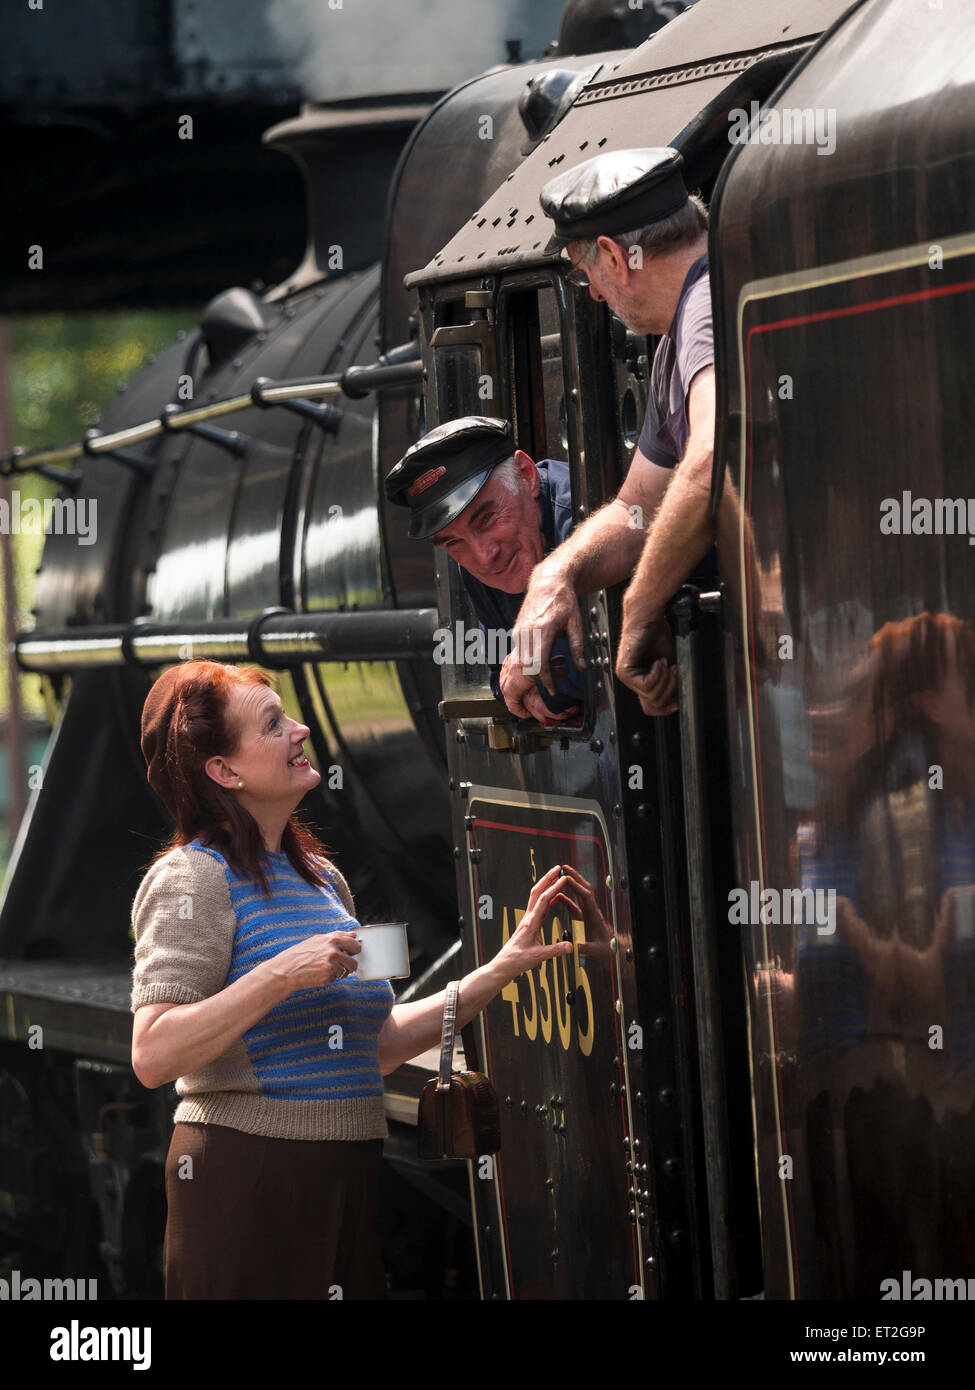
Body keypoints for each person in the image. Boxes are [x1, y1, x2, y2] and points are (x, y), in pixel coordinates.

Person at [130, 658, 578, 1299]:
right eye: (273, 725)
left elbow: (382, 1040)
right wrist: (283, 974)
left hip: (349, 1173)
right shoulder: (190, 878)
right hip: (245, 1176)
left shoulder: (325, 881)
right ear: (225, 773)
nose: (302, 728)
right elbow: (152, 1054)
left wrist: (500, 969)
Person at [500, 146, 718, 720]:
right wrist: (557, 572)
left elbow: (712, 457)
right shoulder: (678, 338)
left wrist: (641, 611)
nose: (595, 294)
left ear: (613, 258)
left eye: (588, 274)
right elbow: (639, 507)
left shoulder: (706, 305)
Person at [384, 415, 583, 725]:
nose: (483, 556)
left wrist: (535, 684)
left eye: (486, 519)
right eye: (453, 542)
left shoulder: (584, 518)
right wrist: (521, 685)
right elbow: (498, 674)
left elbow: (610, 664)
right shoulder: (481, 562)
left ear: (527, 474)